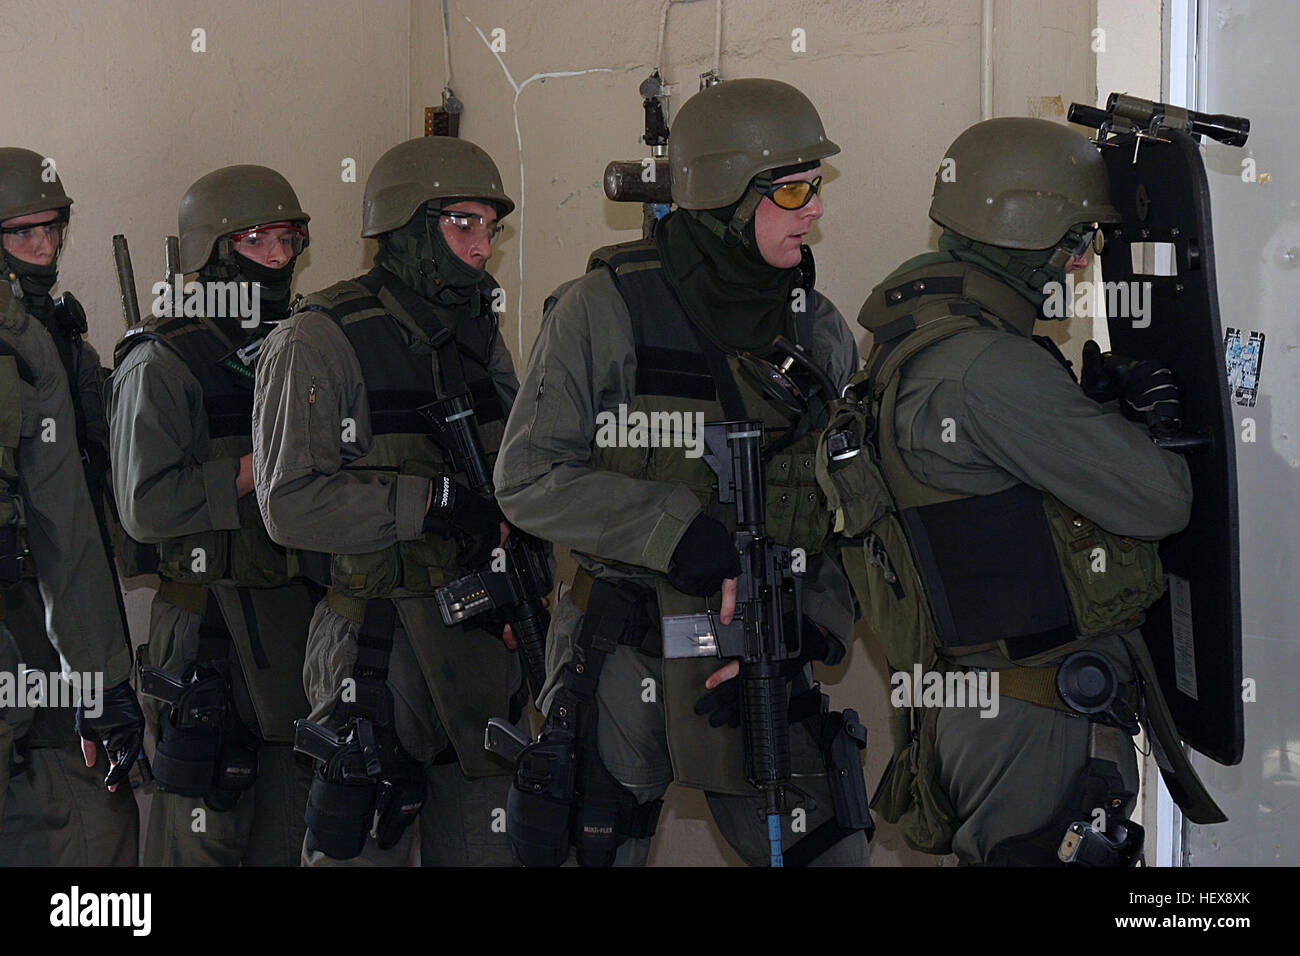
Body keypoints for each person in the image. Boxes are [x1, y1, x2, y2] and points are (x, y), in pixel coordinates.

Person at [493, 78, 872, 867]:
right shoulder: (603, 308)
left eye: (816, 186)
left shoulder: (820, 333)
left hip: (760, 657)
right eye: (795, 188)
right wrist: (673, 529)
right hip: (619, 650)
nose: (816, 210)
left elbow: (850, 509)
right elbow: (527, 477)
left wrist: (815, 621)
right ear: (732, 198)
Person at [819, 116, 1196, 865]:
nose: (1085, 261)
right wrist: (1156, 430)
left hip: (980, 709)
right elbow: (1160, 501)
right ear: (1030, 234)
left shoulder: (911, 341)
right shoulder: (987, 366)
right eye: (1079, 239)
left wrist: (1090, 422)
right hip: (1038, 716)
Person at [252, 135, 526, 866]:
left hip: (475, 642)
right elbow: (289, 504)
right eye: (462, 223)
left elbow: (522, 473)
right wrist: (430, 501)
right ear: (408, 227)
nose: (482, 246)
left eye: (490, 227)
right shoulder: (318, 336)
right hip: (372, 649)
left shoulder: (478, 340)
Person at [106, 165, 315, 866]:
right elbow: (144, 506)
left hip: (298, 625)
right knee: (199, 838)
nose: (280, 258)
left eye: (289, 239)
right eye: (260, 241)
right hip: (208, 633)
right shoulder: (162, 362)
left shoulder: (308, 348)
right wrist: (257, 467)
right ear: (217, 252)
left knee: (289, 836)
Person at [0, 147, 143, 865]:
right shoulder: (23, 348)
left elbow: (95, 484)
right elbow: (57, 519)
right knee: (86, 831)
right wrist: (101, 679)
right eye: (22, 233)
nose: (44, 248)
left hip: (58, 609)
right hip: (33, 613)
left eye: (52, 228)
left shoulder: (56, 340)